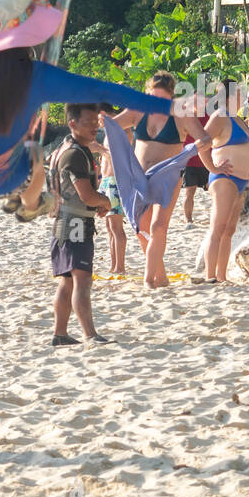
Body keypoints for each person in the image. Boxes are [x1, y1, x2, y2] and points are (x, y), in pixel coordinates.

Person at [0, 0, 170, 218]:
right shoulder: (36, 78)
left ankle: (18, 199)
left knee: (13, 141)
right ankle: (32, 206)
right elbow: (103, 91)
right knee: (35, 154)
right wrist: (167, 106)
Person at [112, 72, 213, 288]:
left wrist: (196, 149)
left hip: (168, 177)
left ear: (171, 97)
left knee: (158, 226)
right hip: (139, 178)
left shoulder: (181, 114)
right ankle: (162, 276)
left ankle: (149, 279)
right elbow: (110, 126)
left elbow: (204, 138)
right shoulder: (137, 110)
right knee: (142, 230)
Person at [48, 103, 113, 346]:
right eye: (89, 123)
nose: (94, 127)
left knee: (68, 281)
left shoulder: (66, 148)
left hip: (64, 223)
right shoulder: (75, 154)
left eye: (96, 123)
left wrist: (96, 204)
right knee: (82, 279)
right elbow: (86, 195)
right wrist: (104, 201)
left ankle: (61, 333)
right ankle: (89, 334)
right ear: (72, 123)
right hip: (74, 225)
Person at [195, 90, 249, 283]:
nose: (243, 97)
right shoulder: (219, 117)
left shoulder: (237, 118)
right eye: (238, 94)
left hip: (241, 180)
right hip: (225, 178)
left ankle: (221, 276)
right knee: (218, 227)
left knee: (229, 230)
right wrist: (212, 167)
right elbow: (201, 145)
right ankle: (210, 275)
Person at [96, 122, 127, 275]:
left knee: (116, 227)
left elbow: (120, 158)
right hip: (106, 181)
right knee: (109, 228)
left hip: (115, 181)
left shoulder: (122, 131)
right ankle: (114, 265)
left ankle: (120, 267)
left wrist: (100, 150)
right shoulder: (107, 135)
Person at [181, 113, 209, 223]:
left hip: (206, 160)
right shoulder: (186, 116)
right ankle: (188, 220)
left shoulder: (210, 115)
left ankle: (218, 218)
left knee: (215, 190)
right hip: (189, 161)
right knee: (189, 191)